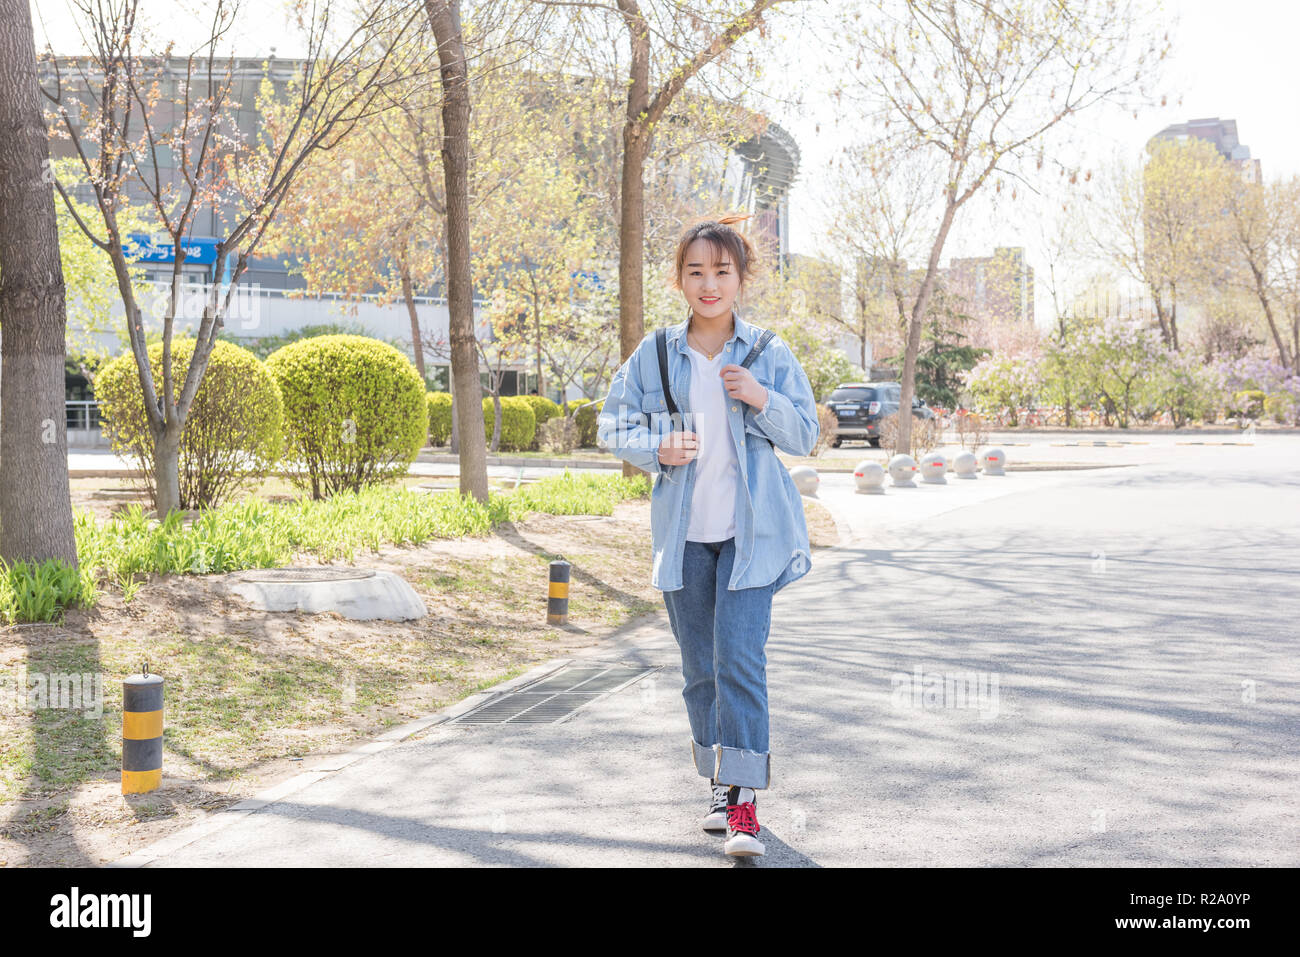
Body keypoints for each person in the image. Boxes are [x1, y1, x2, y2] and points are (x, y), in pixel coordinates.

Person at [596, 213, 820, 858]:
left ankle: (745, 803)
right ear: (680, 279)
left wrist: (759, 397)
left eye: (722, 271)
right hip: (686, 537)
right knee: (700, 670)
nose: (709, 283)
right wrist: (656, 448)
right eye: (696, 271)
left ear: (741, 279)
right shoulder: (657, 354)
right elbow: (613, 427)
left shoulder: (767, 353)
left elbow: (804, 434)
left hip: (753, 541)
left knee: (740, 662)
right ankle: (720, 782)